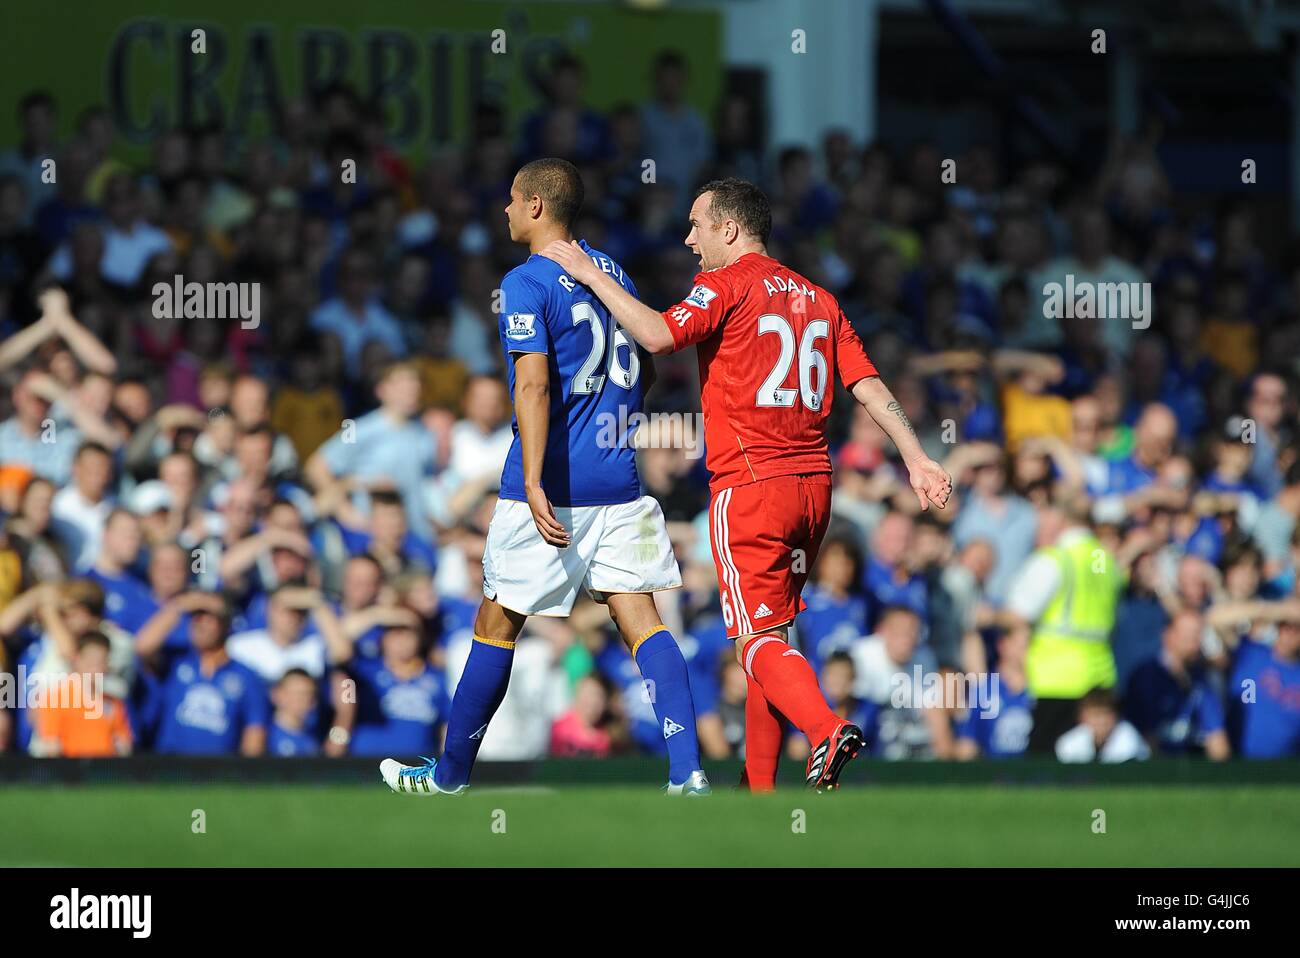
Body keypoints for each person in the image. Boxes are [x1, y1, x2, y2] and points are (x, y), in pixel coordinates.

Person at [542, 177, 951, 790]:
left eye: (696, 225)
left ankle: (824, 730)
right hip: (814, 490)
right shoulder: (819, 298)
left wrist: (591, 274)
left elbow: (656, 335)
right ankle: (758, 788)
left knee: (755, 640)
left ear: (728, 229)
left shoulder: (725, 285)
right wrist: (916, 457)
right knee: (773, 639)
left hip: (752, 486)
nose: (688, 240)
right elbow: (867, 384)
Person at [380, 158, 707, 796]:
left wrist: (533, 481)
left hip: (553, 486)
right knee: (644, 621)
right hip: (619, 483)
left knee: (496, 622)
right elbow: (646, 362)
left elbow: (531, 381)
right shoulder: (610, 269)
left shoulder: (526, 282)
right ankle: (687, 772)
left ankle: (447, 779)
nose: (503, 210)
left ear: (535, 207)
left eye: (510, 199)